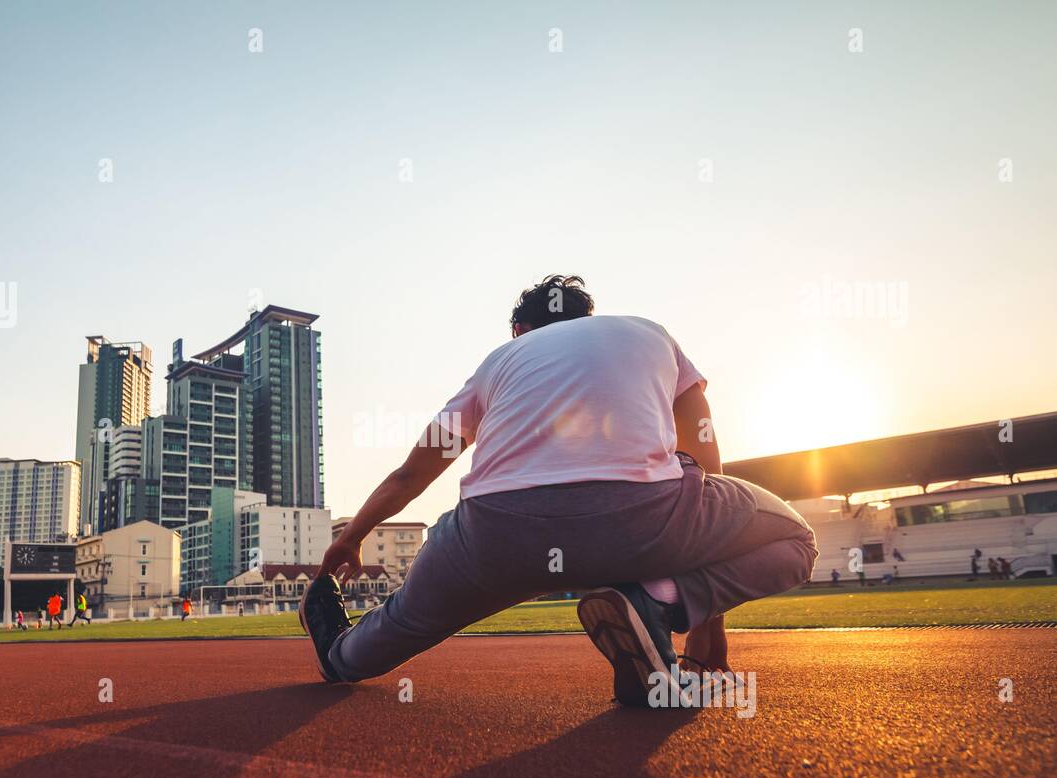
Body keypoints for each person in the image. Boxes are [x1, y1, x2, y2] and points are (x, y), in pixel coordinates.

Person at [301, 275, 818, 704]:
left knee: (378, 640)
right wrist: (704, 622)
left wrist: (352, 537)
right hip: (640, 525)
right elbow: (706, 462)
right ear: (589, 320)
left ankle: (338, 651)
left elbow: (409, 476)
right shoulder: (649, 334)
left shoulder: (498, 361)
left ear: (520, 330)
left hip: (494, 538)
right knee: (796, 540)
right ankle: (655, 605)